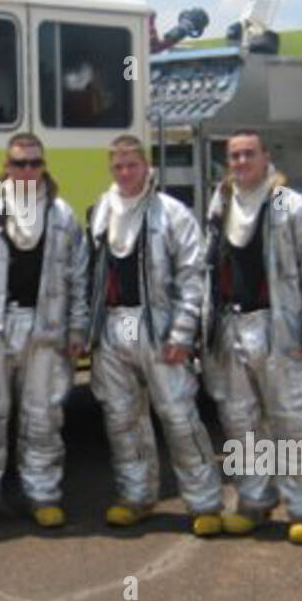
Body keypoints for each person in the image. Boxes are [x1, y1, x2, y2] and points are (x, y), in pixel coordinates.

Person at [0, 133, 89, 531]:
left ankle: (42, 495)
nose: (27, 171)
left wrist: (77, 328)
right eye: (19, 163)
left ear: (44, 167)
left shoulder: (62, 216)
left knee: (42, 419)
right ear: (5, 167)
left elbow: (78, 278)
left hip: (45, 329)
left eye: (34, 163)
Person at [200, 129, 302, 543]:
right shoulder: (221, 204)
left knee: (294, 421)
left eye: (248, 155)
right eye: (233, 156)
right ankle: (254, 500)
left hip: (280, 330)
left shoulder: (290, 207)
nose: (240, 162)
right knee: (239, 420)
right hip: (230, 328)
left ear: (265, 158)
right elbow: (206, 268)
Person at [87, 135, 224, 536]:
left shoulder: (172, 214)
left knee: (179, 417)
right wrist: (87, 330)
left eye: (132, 165)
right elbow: (89, 274)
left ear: (147, 166)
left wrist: (182, 333)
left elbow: (193, 276)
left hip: (159, 329)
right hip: (113, 327)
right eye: (118, 166)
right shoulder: (101, 212)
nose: (126, 173)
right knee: (122, 420)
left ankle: (205, 503)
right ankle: (136, 497)